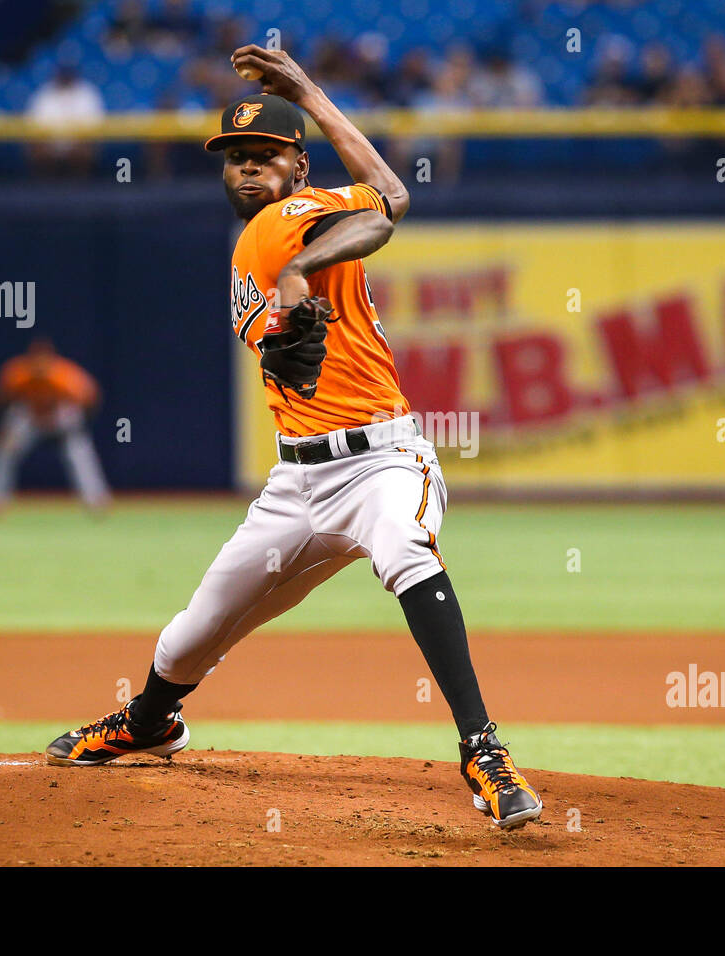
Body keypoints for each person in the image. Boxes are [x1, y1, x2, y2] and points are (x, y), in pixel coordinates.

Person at [45, 47, 543, 831]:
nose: (247, 170)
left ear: (297, 164)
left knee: (407, 554)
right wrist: (287, 318)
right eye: (235, 159)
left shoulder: (303, 213)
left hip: (383, 459)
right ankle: (152, 724)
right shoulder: (245, 255)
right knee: (186, 639)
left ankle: (483, 751)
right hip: (296, 487)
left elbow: (388, 205)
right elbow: (279, 350)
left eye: (264, 155)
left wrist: (310, 99)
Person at [0, 338, 110, 513]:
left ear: (51, 360)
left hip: (59, 415)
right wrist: (5, 428)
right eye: (35, 360)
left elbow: (90, 398)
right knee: (3, 445)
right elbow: (1, 399)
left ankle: (95, 500)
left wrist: (79, 427)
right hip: (30, 416)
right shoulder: (17, 373)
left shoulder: (65, 376)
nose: (39, 365)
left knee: (79, 450)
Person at [25, 64, 105, 176]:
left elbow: (94, 123)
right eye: (63, 76)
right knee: (37, 145)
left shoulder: (87, 92)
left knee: (86, 147)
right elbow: (34, 123)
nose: (65, 79)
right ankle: (44, 187)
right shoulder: (44, 93)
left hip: (78, 141)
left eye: (68, 76)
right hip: (49, 141)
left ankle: (80, 187)